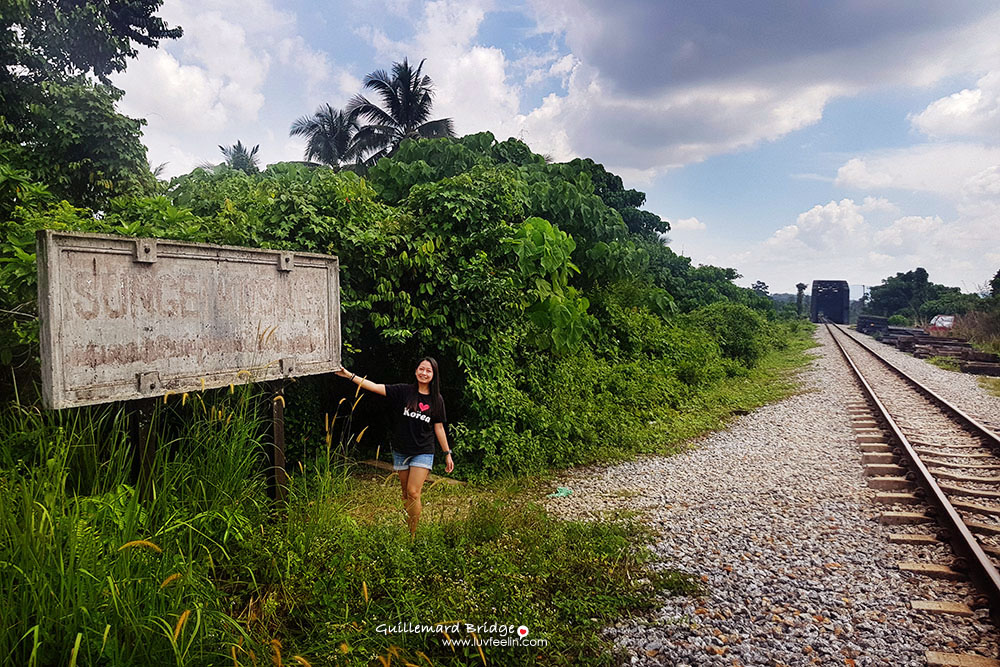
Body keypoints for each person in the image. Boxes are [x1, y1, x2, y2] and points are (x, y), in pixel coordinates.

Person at [336, 357, 453, 537]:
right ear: (416, 371)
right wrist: (349, 376)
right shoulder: (404, 391)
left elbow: (439, 427)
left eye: (428, 371)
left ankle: (413, 535)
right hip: (401, 450)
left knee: (414, 492)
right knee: (406, 495)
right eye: (421, 369)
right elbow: (375, 386)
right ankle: (409, 528)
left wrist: (447, 453)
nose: (424, 373)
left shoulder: (436, 399)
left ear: (434, 375)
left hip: (423, 451)